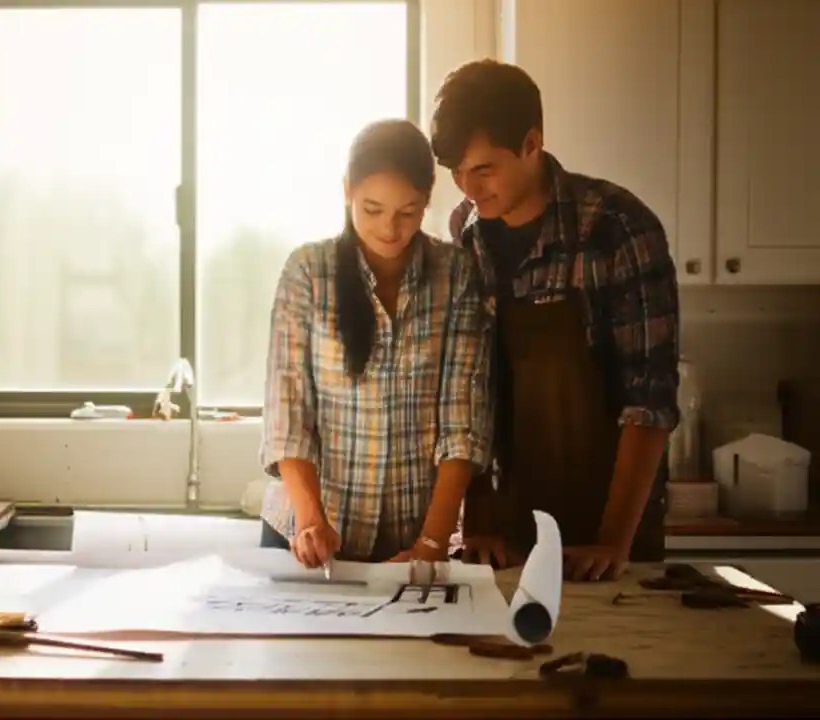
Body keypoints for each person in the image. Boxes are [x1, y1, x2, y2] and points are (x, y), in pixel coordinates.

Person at [430, 60, 680, 581]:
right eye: (456, 173)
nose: (468, 189)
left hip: (603, 532)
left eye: (483, 169)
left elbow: (649, 402)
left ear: (531, 143)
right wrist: (475, 520)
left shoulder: (617, 229)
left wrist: (612, 542)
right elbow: (469, 391)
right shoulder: (466, 234)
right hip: (504, 534)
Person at [258, 119, 494, 569]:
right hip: (307, 535)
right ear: (347, 191)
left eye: (407, 212)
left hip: (413, 540)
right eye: (371, 209)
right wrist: (311, 522)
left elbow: (462, 423)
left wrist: (432, 542)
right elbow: (288, 413)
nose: (389, 228)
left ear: (427, 200)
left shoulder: (455, 274)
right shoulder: (308, 271)